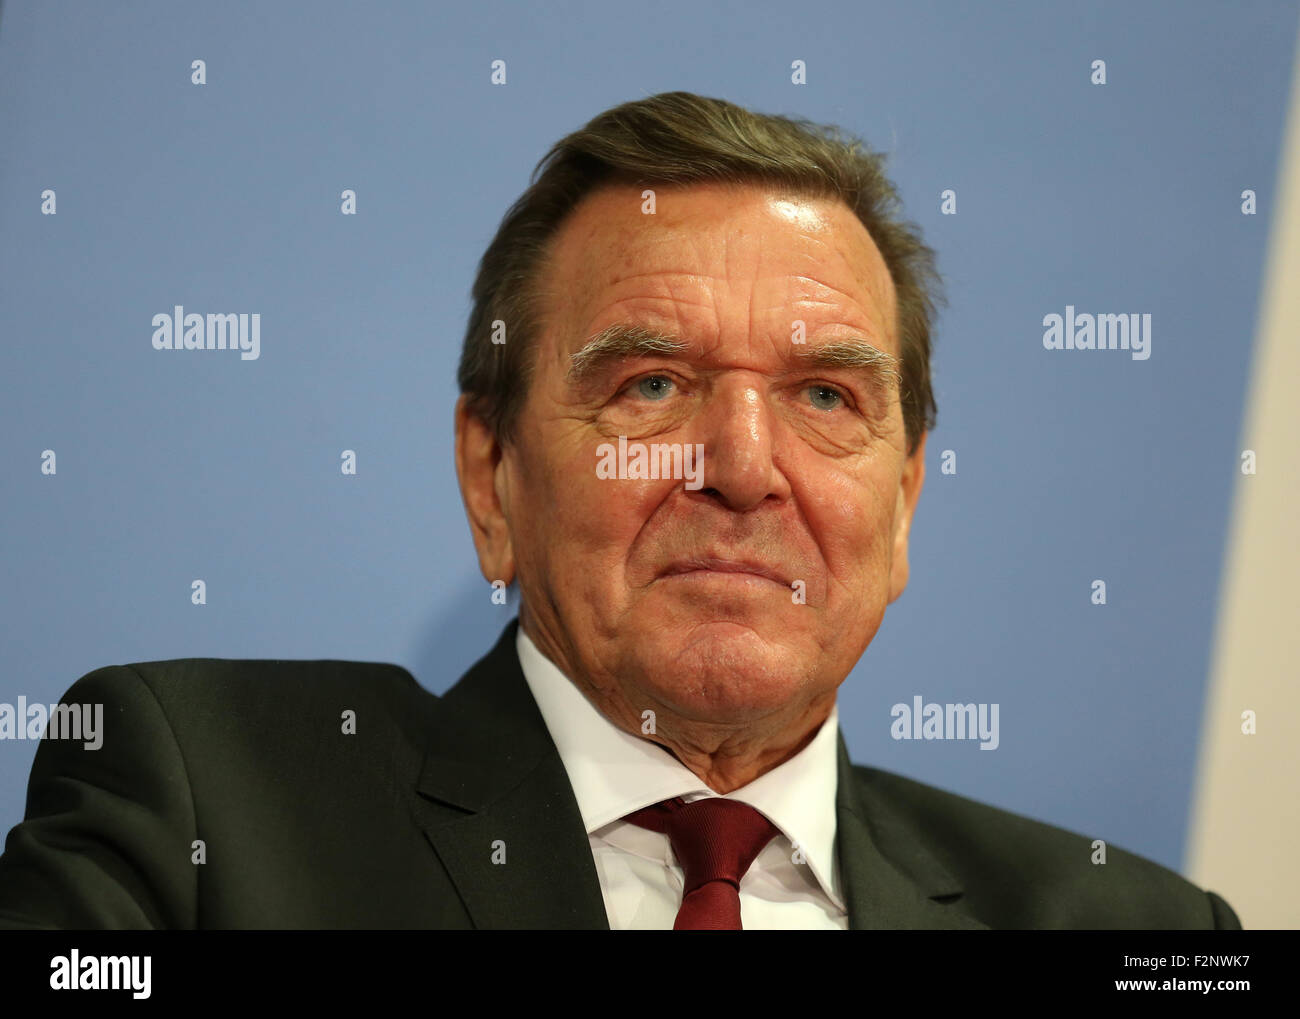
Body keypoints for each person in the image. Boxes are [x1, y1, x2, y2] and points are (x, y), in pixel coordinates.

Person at [0, 92, 1239, 930]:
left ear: (903, 500)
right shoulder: (205, 808)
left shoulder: (1139, 927)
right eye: (651, 385)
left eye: (822, 393)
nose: (744, 466)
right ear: (492, 478)